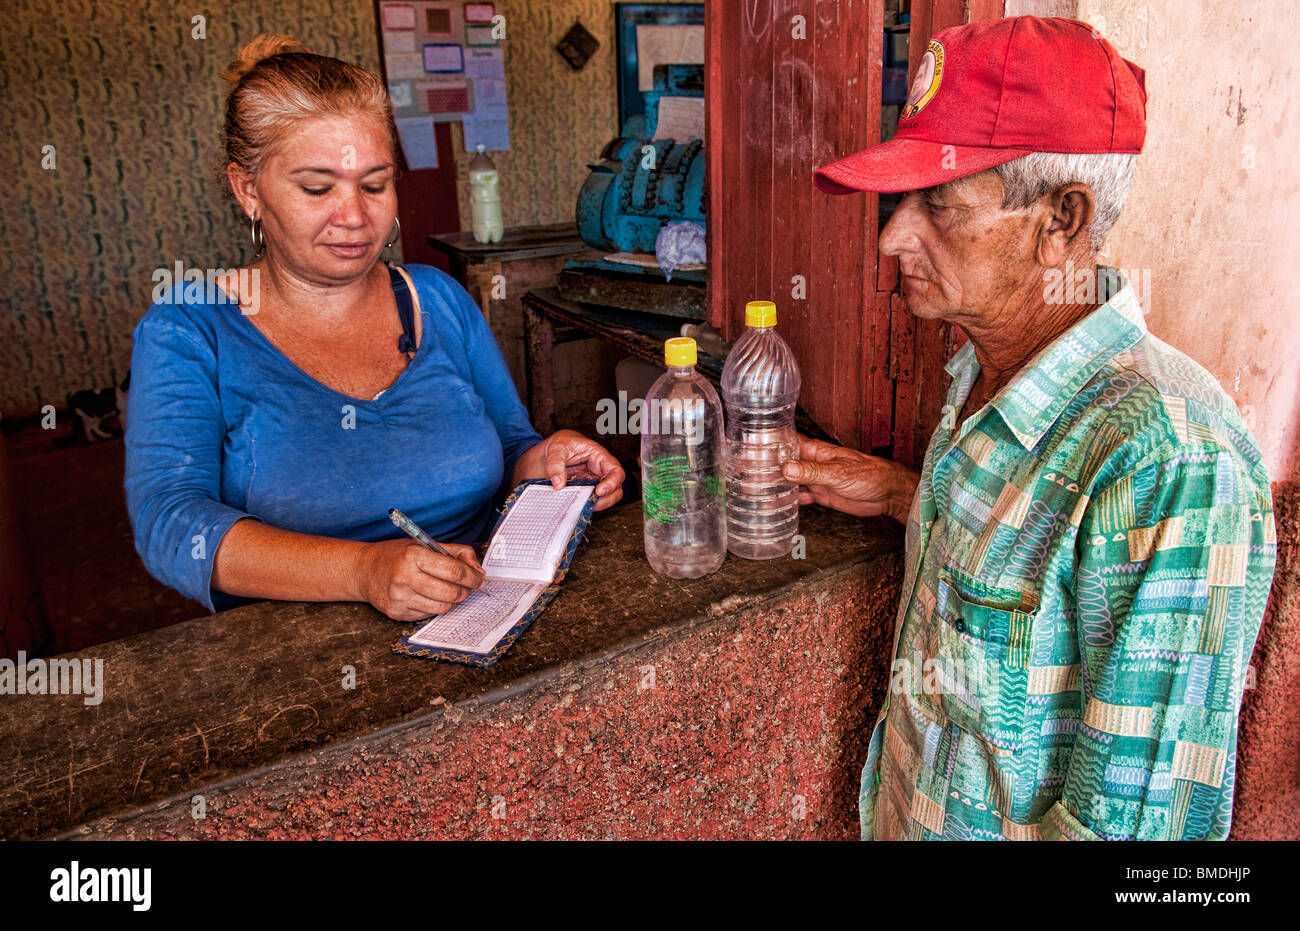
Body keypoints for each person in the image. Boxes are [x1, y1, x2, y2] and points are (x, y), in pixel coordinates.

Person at [793, 17, 1275, 840]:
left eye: (936, 203)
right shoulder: (981, 373)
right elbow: (1031, 580)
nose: (892, 236)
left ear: (1062, 217)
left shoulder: (1167, 459)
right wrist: (905, 495)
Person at [125, 35, 624, 621]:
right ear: (248, 190)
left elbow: (513, 445)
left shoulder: (436, 299)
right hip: (294, 660)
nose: (355, 217)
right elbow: (170, 522)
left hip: (479, 611)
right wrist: (364, 571)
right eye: (317, 188)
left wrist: (547, 460)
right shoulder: (190, 328)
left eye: (374, 184)